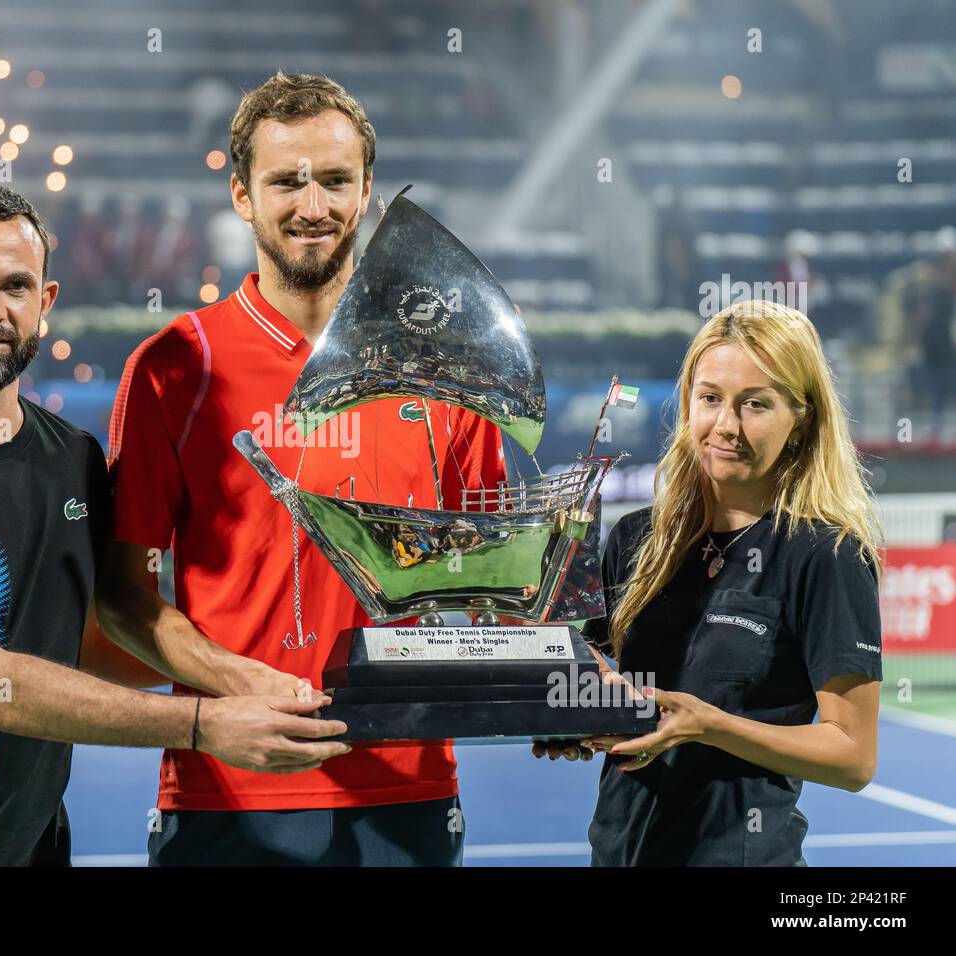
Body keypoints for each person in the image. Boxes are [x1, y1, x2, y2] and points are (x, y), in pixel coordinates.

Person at [0, 184, 348, 867]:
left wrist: (284, 675)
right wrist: (206, 723)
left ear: (46, 302)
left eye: (16, 286)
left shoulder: (74, 461)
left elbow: (83, 641)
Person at [99, 72, 507, 867]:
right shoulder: (176, 367)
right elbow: (122, 597)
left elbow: (500, 579)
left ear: (366, 193)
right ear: (243, 195)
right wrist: (238, 683)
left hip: (405, 786)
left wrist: (567, 686)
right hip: (228, 786)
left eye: (334, 181)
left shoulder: (446, 364)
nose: (311, 206)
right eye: (286, 181)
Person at [536, 299, 883, 866]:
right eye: (711, 398)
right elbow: (598, 680)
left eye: (755, 404)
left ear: (801, 420)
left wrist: (709, 726)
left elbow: (853, 757)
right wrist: (577, 718)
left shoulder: (826, 556)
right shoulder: (634, 539)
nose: (726, 425)